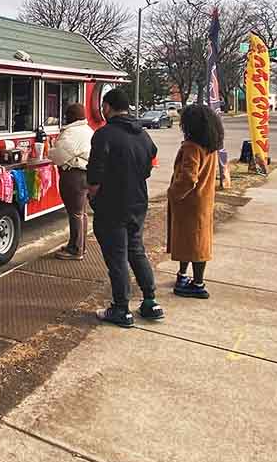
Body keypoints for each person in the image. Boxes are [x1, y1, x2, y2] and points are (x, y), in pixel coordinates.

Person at [87, 87, 164, 327]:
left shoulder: (104, 135)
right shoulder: (143, 134)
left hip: (111, 205)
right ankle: (150, 301)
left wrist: (93, 198)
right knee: (136, 249)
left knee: (117, 257)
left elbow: (94, 176)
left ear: (107, 107)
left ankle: (121, 309)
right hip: (138, 202)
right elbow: (149, 165)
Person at [168, 104, 223, 299]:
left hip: (190, 203)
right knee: (191, 241)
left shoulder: (192, 146)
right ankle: (183, 275)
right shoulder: (210, 146)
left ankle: (197, 283)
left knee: (195, 243)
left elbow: (189, 177)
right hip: (204, 201)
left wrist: (173, 193)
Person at [48, 103, 93, 260]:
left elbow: (58, 155)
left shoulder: (72, 132)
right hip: (86, 174)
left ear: (71, 116)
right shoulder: (88, 130)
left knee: (75, 213)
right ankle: (79, 245)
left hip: (73, 175)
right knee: (82, 213)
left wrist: (50, 150)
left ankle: (76, 250)